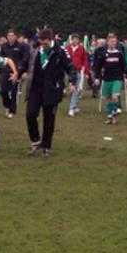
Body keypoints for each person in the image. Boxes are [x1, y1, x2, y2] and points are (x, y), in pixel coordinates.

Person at [23, 29, 78, 157]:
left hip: (52, 89)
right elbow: (26, 63)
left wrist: (72, 81)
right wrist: (18, 73)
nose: (43, 44)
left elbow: (70, 67)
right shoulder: (34, 49)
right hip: (35, 88)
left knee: (49, 119)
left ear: (51, 39)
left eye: (45, 41)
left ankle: (46, 146)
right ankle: (35, 140)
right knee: (30, 114)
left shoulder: (60, 51)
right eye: (41, 41)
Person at [93, 33, 127, 124]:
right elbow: (97, 66)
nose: (113, 43)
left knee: (115, 96)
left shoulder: (119, 54)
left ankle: (113, 113)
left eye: (115, 42)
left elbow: (124, 66)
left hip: (117, 78)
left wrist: (126, 76)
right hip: (106, 79)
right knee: (108, 98)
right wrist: (97, 77)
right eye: (111, 41)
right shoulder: (103, 54)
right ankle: (110, 116)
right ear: (107, 42)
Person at [0, 29, 29, 119]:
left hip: (16, 72)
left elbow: (25, 60)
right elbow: (1, 59)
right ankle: (8, 105)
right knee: (3, 91)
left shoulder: (21, 46)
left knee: (14, 91)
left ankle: (12, 110)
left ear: (15, 37)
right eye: (9, 36)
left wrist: (24, 72)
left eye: (12, 36)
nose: (10, 37)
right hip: (5, 71)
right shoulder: (3, 46)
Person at [65, 33, 88, 117]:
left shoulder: (82, 49)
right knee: (72, 89)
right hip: (68, 71)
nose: (75, 41)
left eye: (77, 39)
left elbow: (85, 60)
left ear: (78, 40)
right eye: (73, 39)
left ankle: (71, 108)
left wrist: (86, 72)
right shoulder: (67, 48)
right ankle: (76, 105)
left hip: (77, 71)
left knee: (75, 89)